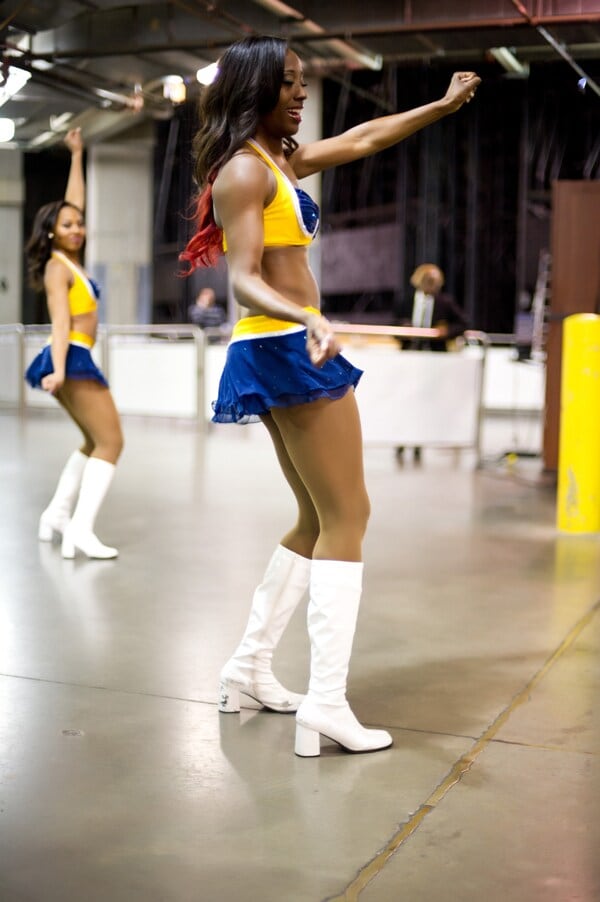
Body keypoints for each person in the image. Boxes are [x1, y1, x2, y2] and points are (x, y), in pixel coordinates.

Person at [180, 36, 480, 756]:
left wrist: (438, 108)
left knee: (318, 518)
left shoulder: (277, 163)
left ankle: (248, 668)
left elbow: (362, 138)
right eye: (287, 82)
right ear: (255, 87)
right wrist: (308, 316)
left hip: (282, 343)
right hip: (286, 342)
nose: (300, 93)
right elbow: (242, 278)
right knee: (350, 514)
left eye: (301, 82)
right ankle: (326, 704)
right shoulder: (244, 171)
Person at [25, 128, 123, 560]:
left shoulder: (70, 261)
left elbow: (73, 202)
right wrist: (61, 369)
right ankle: (80, 530)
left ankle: (57, 515)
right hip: (71, 355)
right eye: (67, 225)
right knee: (111, 442)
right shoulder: (56, 268)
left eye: (79, 223)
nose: (77, 228)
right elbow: (61, 322)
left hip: (72, 355)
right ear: (51, 233)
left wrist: (77, 155)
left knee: (91, 440)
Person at [396, 263, 469, 461]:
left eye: (436, 282)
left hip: (433, 361)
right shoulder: (406, 300)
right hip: (409, 359)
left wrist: (446, 332)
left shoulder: (445, 302)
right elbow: (394, 322)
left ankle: (419, 442)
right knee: (405, 401)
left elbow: (463, 322)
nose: (432, 285)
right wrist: (404, 329)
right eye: (429, 281)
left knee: (425, 402)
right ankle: (400, 440)